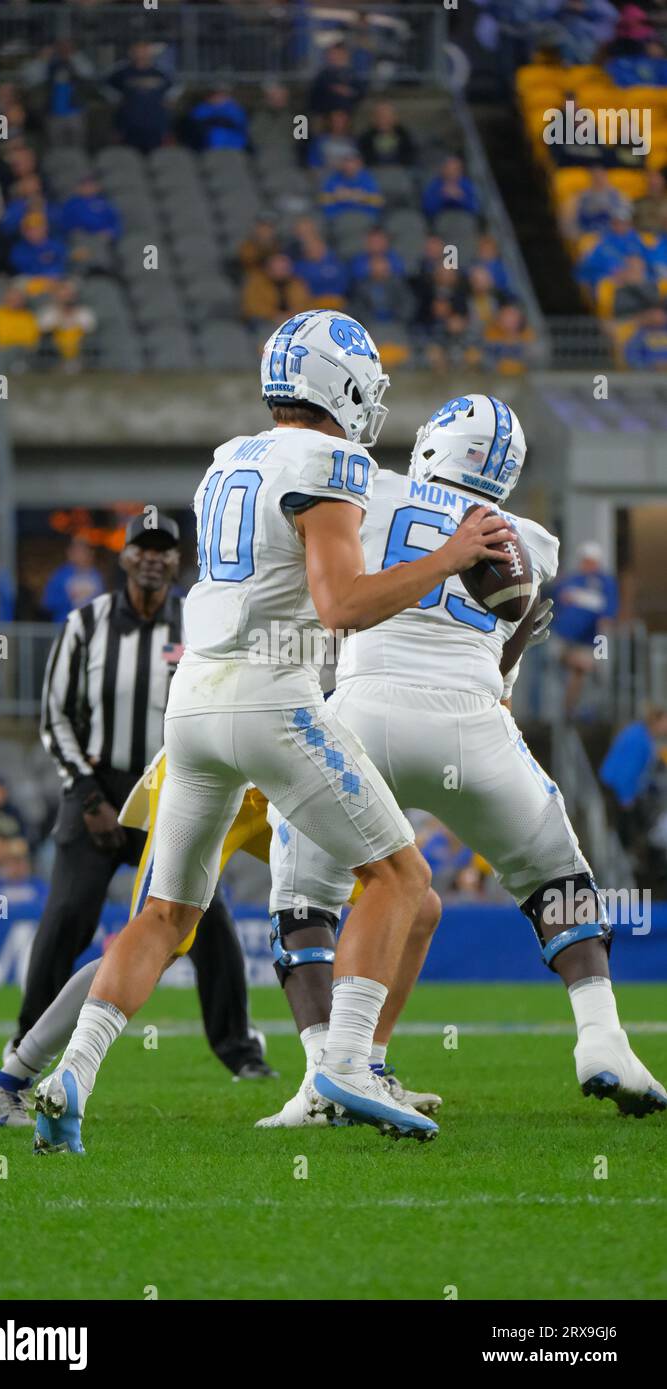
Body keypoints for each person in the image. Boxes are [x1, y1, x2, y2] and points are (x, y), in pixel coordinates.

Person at [30, 309, 515, 1153]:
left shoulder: (230, 459)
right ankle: (347, 1066)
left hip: (191, 704)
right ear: (344, 384)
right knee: (402, 881)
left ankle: (70, 1076)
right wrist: (450, 554)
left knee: (166, 916)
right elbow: (342, 607)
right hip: (268, 697)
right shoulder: (330, 460)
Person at [255, 393, 665, 1129]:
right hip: (472, 718)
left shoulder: (365, 486)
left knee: (302, 903)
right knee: (557, 883)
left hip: (363, 708)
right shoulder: (532, 542)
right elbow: (508, 649)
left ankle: (322, 1079)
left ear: (433, 445)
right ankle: (602, 1040)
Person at [0, 516, 273, 1128]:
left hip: (170, 789)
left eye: (164, 550)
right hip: (98, 790)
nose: (153, 560)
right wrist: (87, 795)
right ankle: (23, 1050)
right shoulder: (86, 625)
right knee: (68, 916)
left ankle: (240, 1051)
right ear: (125, 557)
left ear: (176, 560)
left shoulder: (196, 622)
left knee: (205, 921)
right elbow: (56, 719)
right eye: (143, 548)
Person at [551, 541, 620, 716]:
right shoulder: (571, 580)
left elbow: (608, 613)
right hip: (567, 639)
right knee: (577, 671)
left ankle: (592, 710)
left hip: (596, 639)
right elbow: (557, 601)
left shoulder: (606, 582)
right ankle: (572, 711)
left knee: (597, 670)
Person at [599, 706, 667, 849]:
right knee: (623, 829)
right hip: (615, 789)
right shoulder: (640, 740)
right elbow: (627, 770)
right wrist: (626, 798)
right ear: (657, 721)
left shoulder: (639, 733)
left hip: (615, 785)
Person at [104, 42, 176, 154]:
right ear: (131, 54)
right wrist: (115, 100)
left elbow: (173, 91)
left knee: (155, 156)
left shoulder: (161, 73)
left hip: (155, 124)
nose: (141, 55)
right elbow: (106, 87)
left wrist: (168, 104)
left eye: (144, 52)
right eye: (138, 52)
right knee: (129, 157)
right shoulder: (121, 73)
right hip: (129, 124)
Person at [41, 538, 104, 623]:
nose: (80, 554)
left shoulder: (95, 575)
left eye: (83, 550)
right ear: (70, 553)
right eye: (77, 551)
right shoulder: (61, 575)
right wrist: (69, 599)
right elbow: (47, 602)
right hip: (65, 625)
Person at [319, 153, 384, 220]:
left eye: (352, 164)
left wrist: (364, 197)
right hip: (338, 216)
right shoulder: (333, 178)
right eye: (346, 164)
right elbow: (322, 199)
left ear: (359, 165)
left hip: (363, 215)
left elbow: (379, 202)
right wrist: (335, 196)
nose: (349, 168)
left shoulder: (368, 179)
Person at [422, 155, 480, 223]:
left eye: (455, 169)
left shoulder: (467, 185)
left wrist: (460, 198)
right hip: (441, 222)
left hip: (464, 222)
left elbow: (475, 209)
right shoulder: (434, 185)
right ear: (443, 170)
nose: (451, 172)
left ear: (460, 171)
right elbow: (428, 210)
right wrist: (442, 197)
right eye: (448, 169)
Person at [358, 101, 416, 167]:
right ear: (373, 119)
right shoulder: (365, 139)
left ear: (395, 118)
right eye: (380, 116)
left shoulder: (406, 137)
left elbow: (411, 158)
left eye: (387, 116)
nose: (384, 120)